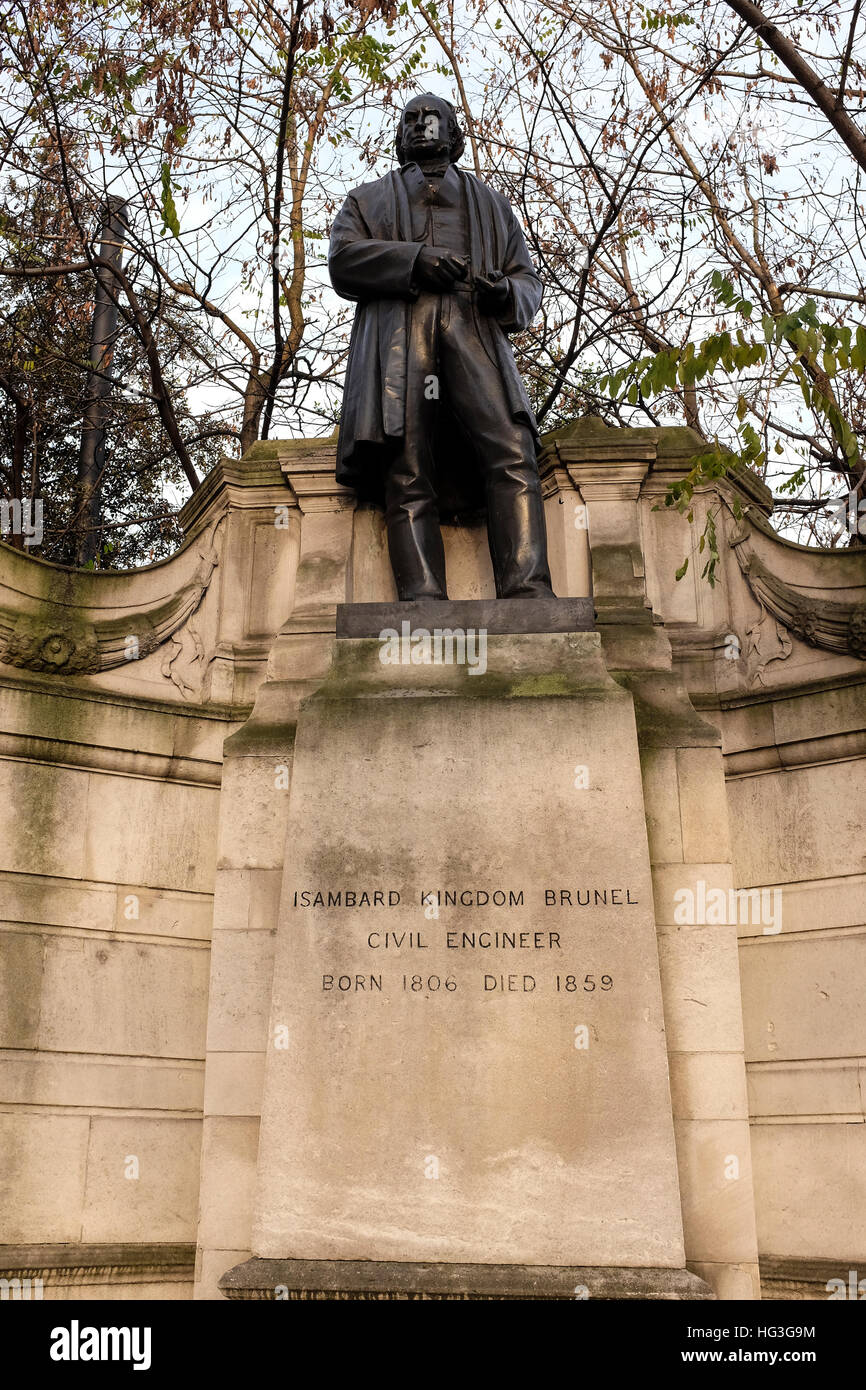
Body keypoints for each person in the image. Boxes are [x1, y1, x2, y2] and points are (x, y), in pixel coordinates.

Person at [328, 93, 555, 601]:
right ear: (399, 136)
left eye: (433, 117)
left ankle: (528, 590)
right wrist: (415, 260)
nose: (420, 124)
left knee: (512, 449)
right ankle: (422, 598)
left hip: (473, 325)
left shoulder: (493, 204)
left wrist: (506, 293)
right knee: (406, 463)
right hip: (400, 338)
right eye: (409, 118)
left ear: (454, 134)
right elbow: (343, 260)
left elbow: (528, 282)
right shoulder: (367, 200)